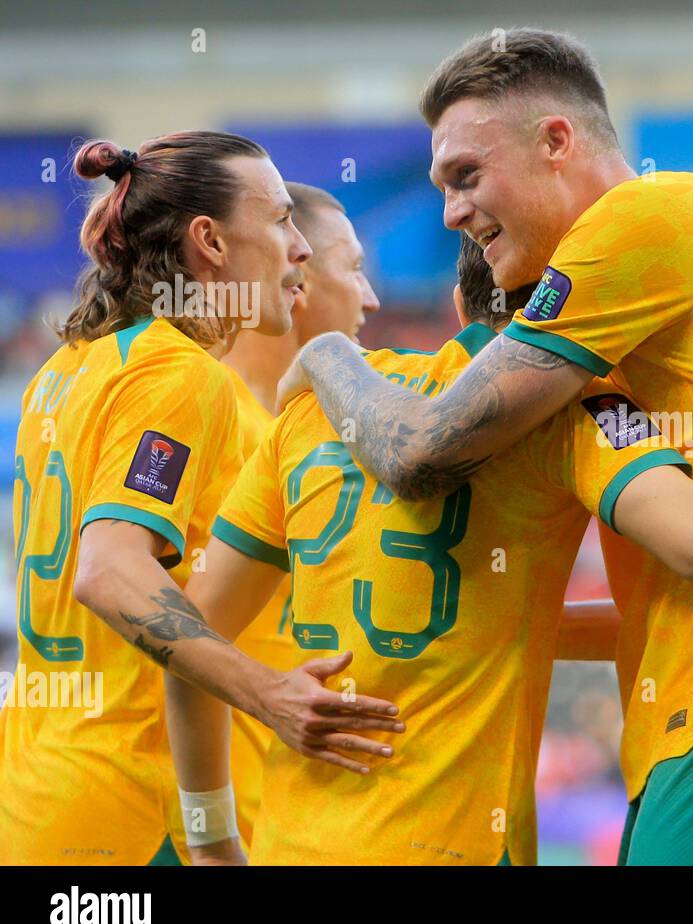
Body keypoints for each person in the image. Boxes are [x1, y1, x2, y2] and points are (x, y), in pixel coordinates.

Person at [280, 27, 693, 865]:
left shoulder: (636, 224)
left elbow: (421, 453)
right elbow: (674, 570)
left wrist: (327, 355)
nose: (451, 213)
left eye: (466, 176)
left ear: (556, 142)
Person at [171, 233, 693, 865]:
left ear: (460, 304)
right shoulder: (576, 411)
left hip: (294, 843)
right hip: (462, 843)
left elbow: (189, 642)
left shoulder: (312, 411)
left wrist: (210, 838)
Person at [1, 133, 397, 866]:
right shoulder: (180, 376)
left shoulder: (66, 368)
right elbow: (110, 571)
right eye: (280, 220)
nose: (298, 249)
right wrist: (269, 693)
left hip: (41, 796)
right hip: (132, 812)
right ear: (209, 241)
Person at [218, 182, 382, 849]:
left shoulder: (300, 431)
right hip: (186, 824)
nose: (371, 298)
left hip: (289, 822)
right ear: (297, 273)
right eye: (356, 269)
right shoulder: (202, 418)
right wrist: (207, 831)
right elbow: (129, 604)